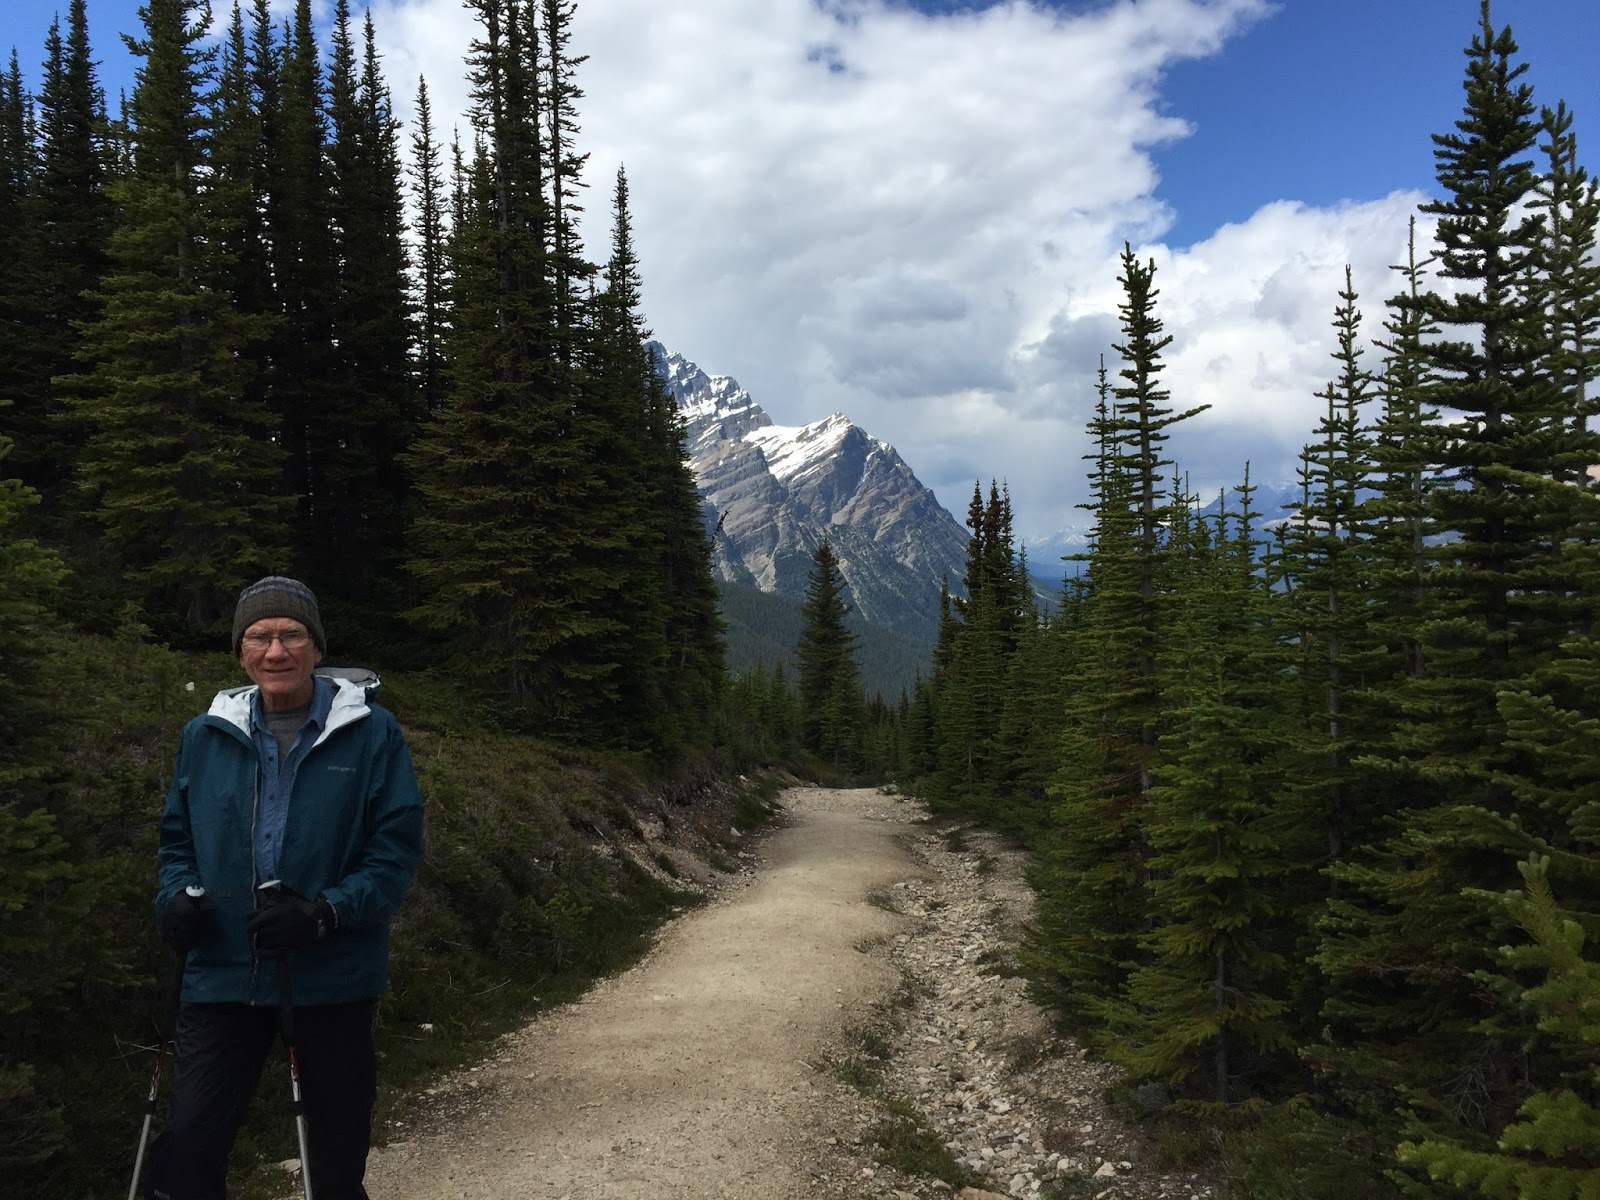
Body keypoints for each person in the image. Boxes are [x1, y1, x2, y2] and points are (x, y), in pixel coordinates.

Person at [148, 576, 424, 1200]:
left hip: (332, 976)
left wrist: (326, 914)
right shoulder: (205, 735)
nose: (276, 651)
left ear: (317, 647)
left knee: (334, 1158)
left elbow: (395, 850)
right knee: (189, 1147)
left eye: (291, 635)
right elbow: (177, 841)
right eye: (260, 636)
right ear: (242, 651)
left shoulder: (373, 733)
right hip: (220, 970)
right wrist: (174, 899)